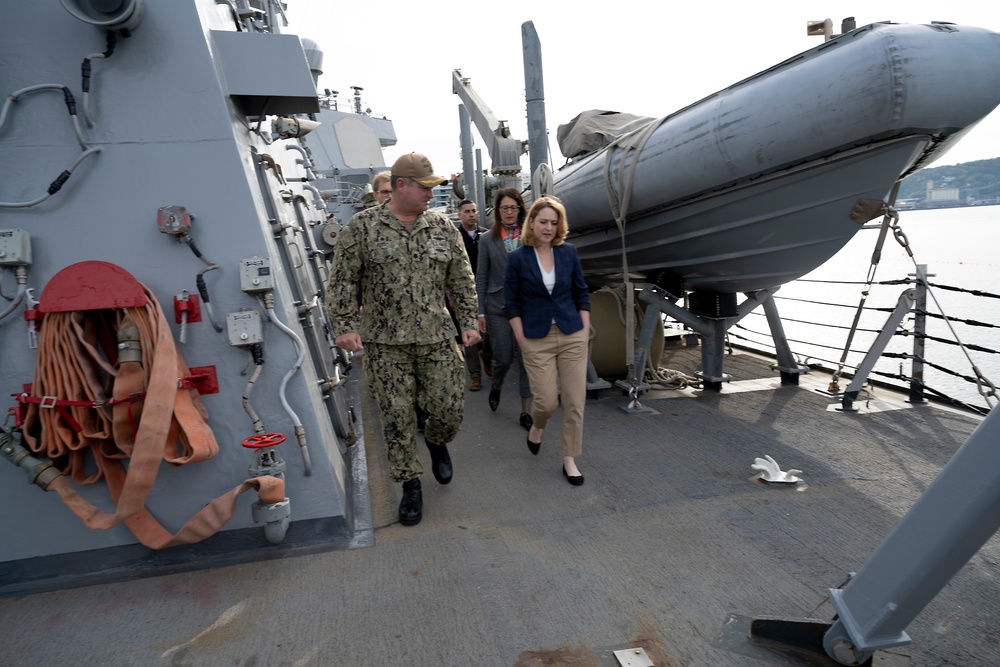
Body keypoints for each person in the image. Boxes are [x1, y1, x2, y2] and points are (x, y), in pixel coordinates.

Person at [325, 152, 480, 526]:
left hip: (437, 338)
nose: (431, 194)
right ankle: (410, 485)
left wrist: (468, 321)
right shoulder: (362, 228)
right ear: (400, 186)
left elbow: (461, 279)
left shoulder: (443, 228)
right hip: (385, 344)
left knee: (447, 408)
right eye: (425, 187)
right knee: (396, 419)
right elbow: (342, 279)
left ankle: (437, 440)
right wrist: (344, 324)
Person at [504, 196, 590, 486]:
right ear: (531, 222)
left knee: (575, 401)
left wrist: (584, 330)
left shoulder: (568, 252)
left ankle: (570, 459)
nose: (549, 227)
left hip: (571, 334)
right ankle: (537, 427)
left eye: (554, 223)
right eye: (543, 221)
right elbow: (511, 303)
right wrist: (521, 339)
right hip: (535, 337)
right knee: (547, 402)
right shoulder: (517, 258)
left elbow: (582, 292)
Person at [477, 188, 533, 430]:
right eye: (504, 208)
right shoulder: (487, 240)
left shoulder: (531, 236)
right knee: (503, 357)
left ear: (520, 209)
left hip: (528, 307)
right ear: (497, 211)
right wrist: (480, 311)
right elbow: (481, 277)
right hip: (497, 306)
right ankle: (497, 384)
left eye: (513, 207)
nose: (509, 212)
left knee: (527, 359)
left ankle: (525, 411)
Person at [457, 199, 487, 391]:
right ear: (460, 215)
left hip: (485, 290)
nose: (471, 214)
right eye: (467, 211)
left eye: (474, 211)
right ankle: (475, 375)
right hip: (463, 293)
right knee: (468, 332)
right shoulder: (455, 237)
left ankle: (487, 354)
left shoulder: (485, 236)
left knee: (489, 332)